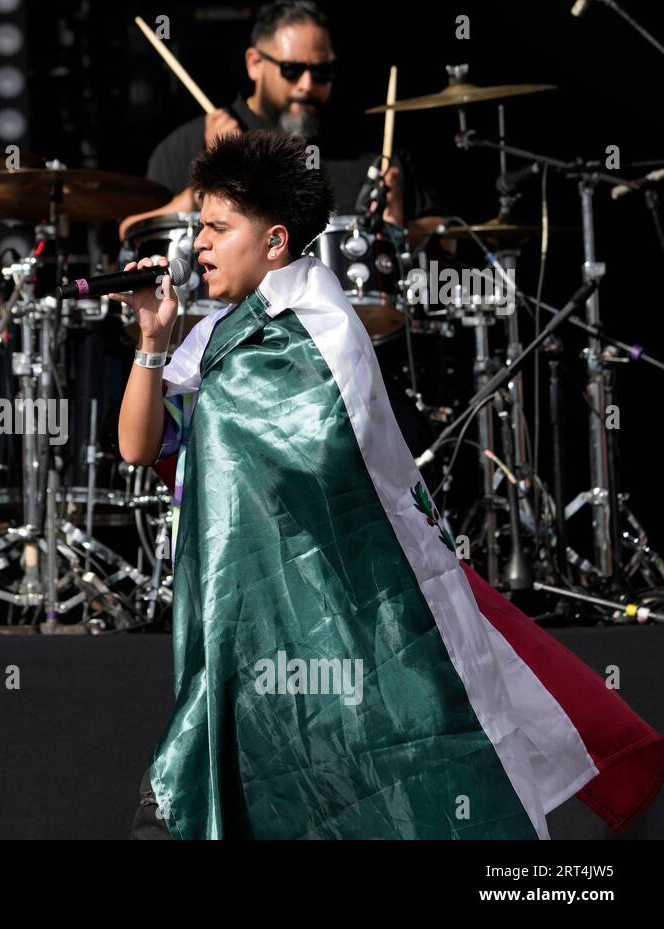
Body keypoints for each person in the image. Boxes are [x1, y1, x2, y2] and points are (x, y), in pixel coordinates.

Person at [115, 130, 664, 839]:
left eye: (218, 228)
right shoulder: (215, 336)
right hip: (237, 623)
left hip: (328, 625)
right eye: (198, 228)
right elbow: (137, 447)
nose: (199, 246)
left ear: (276, 241)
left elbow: (332, 472)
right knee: (190, 798)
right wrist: (152, 340)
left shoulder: (322, 334)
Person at [120, 0, 435, 242]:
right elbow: (130, 233)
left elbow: (441, 234)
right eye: (291, 70)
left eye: (322, 72)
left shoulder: (370, 151)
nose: (307, 85)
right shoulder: (191, 144)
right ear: (255, 64)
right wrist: (200, 192)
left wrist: (399, 229)